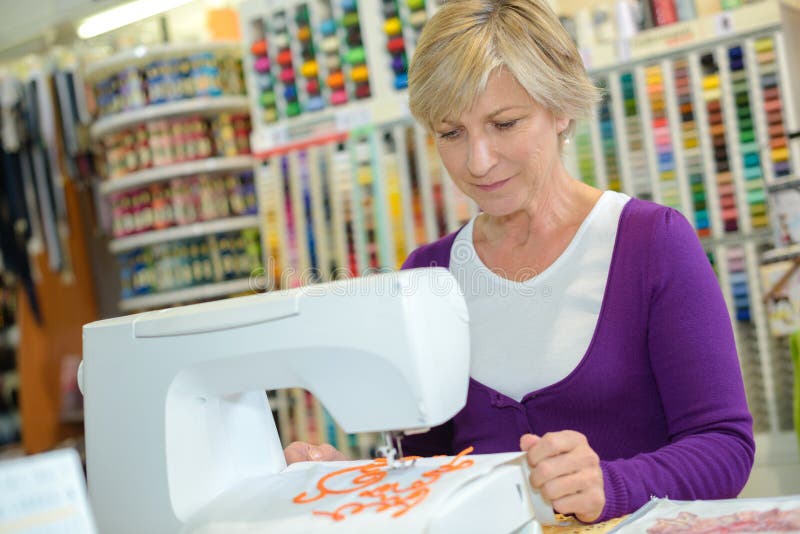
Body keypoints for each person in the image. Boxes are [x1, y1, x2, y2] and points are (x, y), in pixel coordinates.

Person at [283, 0, 755, 524]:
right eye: (451, 133)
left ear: (560, 108)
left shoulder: (650, 243)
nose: (477, 162)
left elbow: (724, 449)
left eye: (504, 124)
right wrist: (348, 480)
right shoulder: (428, 274)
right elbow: (424, 469)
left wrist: (612, 484)